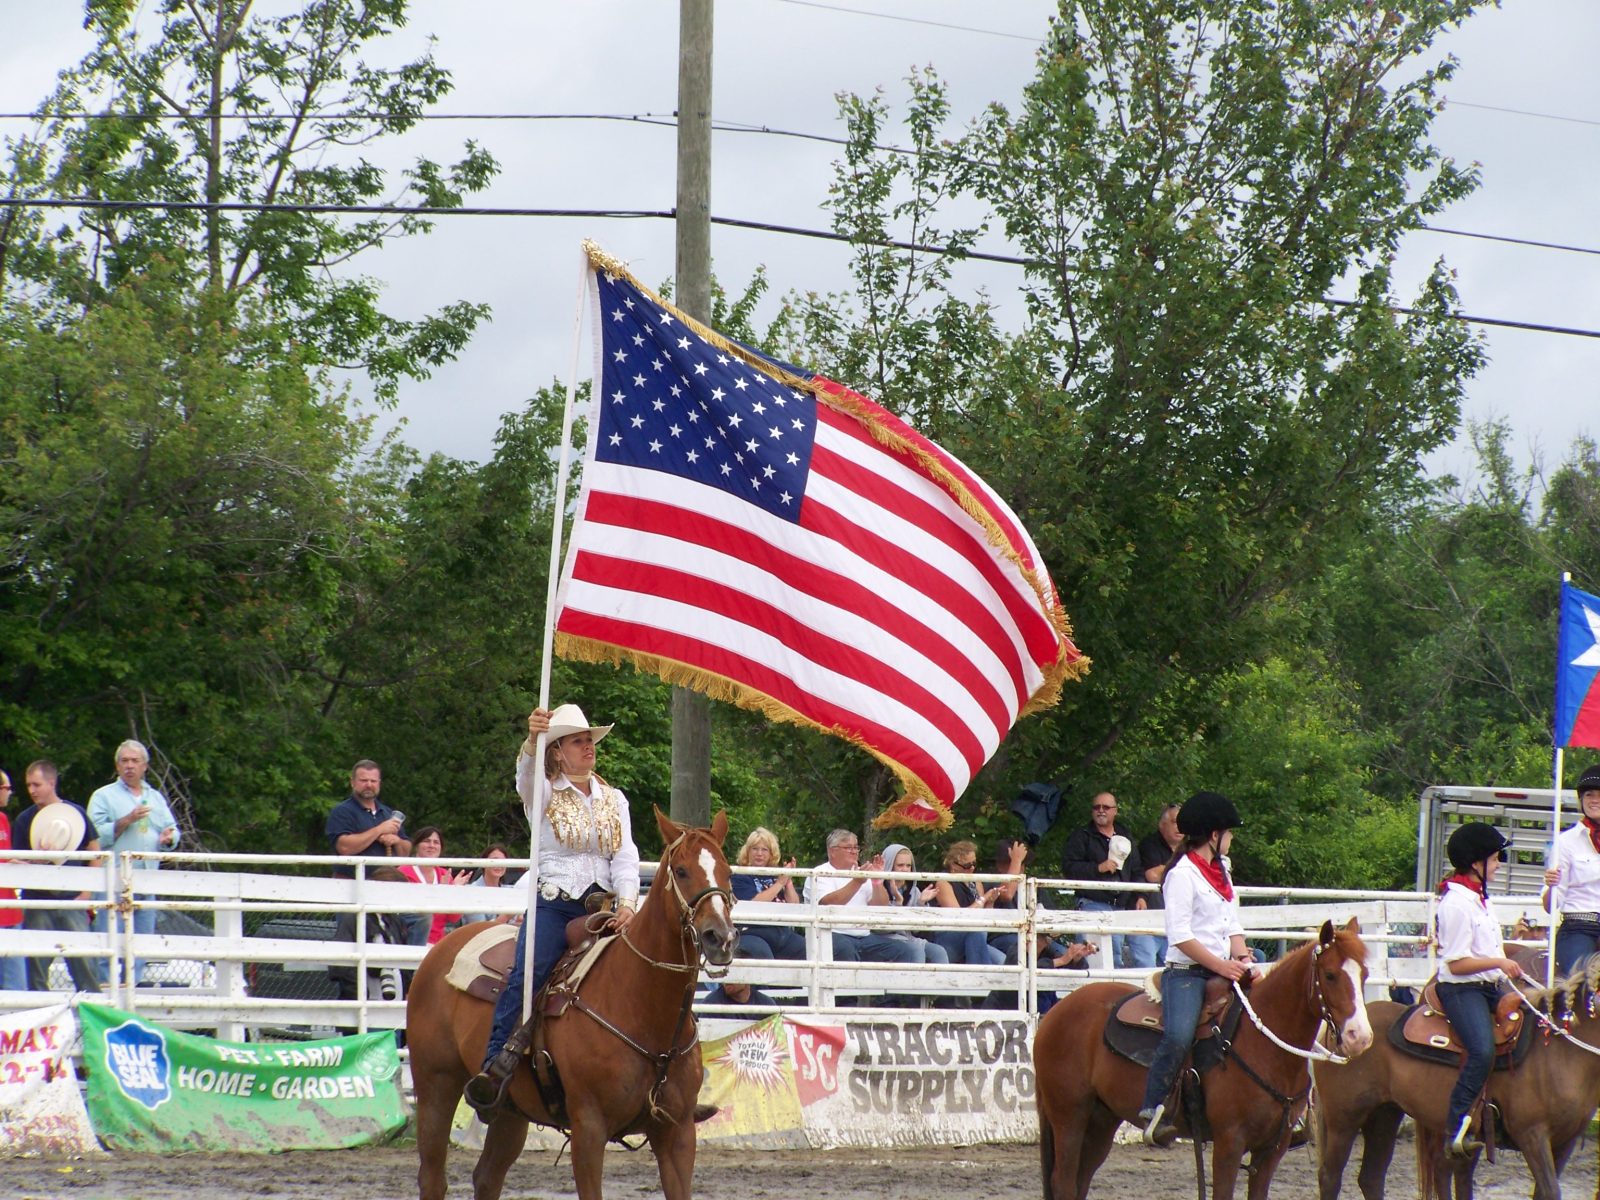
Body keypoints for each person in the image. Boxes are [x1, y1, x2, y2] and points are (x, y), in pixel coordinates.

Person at [464, 703, 641, 1115]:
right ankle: (495, 1063)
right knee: (529, 972)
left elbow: (625, 857)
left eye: (590, 741)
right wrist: (531, 743)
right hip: (554, 904)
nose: (588, 747)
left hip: (606, 906)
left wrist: (630, 903)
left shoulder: (614, 798)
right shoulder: (542, 791)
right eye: (578, 741)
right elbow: (525, 778)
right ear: (557, 751)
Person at [1137, 790, 1252, 1147]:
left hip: (1224, 967)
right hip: (1186, 972)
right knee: (1179, 1034)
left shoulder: (1223, 871)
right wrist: (1223, 965)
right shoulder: (1182, 875)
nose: (1231, 838)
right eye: (1228, 832)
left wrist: (1245, 959)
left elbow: (1232, 924)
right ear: (1214, 835)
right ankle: (1153, 1107)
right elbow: (1181, 936)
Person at [1436, 821, 1524, 1158]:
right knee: (1482, 1050)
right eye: (1496, 857)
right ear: (1476, 863)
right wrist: (1499, 964)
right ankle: (1454, 1125)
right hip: (1462, 989)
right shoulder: (1456, 904)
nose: (1500, 862)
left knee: (1530, 1026)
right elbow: (1456, 964)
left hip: (1488, 985)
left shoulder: (1478, 899)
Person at [86, 740, 179, 986]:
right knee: (109, 939)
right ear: (117, 766)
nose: (129, 766)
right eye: (124, 761)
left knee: (140, 943)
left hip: (146, 881)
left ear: (145, 766)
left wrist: (169, 838)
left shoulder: (155, 797)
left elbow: (172, 829)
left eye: (134, 761)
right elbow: (94, 836)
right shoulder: (103, 796)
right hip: (114, 881)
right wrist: (127, 819)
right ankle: (105, 988)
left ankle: (133, 988)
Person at [15, 761, 102, 993]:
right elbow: (17, 861)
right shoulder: (25, 819)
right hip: (37, 900)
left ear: (51, 783)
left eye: (37, 784)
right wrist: (36, 862)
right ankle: (40, 1019)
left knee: (84, 964)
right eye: (28, 785)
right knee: (36, 967)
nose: (32, 790)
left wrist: (86, 893)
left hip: (71, 898)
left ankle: (89, 1015)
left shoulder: (76, 813)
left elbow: (96, 851)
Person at [801, 830, 920, 967]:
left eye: (856, 847)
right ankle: (849, 989)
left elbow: (880, 906)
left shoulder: (861, 873)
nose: (854, 851)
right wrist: (857, 882)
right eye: (848, 847)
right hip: (831, 934)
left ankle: (893, 988)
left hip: (864, 936)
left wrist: (876, 882)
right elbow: (828, 903)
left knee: (904, 951)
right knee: (845, 949)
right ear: (832, 851)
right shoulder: (819, 873)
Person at [1060, 791, 1145, 968]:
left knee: (1114, 957)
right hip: (1092, 902)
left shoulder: (1125, 836)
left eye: (1106, 807)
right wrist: (1098, 868)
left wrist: (1140, 896)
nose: (1100, 811)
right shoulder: (1082, 836)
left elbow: (1136, 869)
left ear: (1115, 811)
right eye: (1096, 807)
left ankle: (1112, 994)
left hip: (1120, 905)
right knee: (1092, 958)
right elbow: (1069, 868)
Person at [1541, 764, 1600, 975]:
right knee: (1583, 982)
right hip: (1579, 926)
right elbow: (1550, 906)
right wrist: (1551, 886)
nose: (1594, 800)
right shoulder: (1566, 842)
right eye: (1589, 794)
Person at [328, 865, 410, 1014]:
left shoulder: (395, 922)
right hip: (365, 1006)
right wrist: (361, 993)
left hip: (395, 1008)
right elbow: (340, 966)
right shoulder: (355, 918)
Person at [927, 841, 1008, 968]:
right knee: (976, 930)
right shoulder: (943, 883)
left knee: (1003, 961)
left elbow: (983, 918)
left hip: (974, 937)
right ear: (954, 865)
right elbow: (959, 918)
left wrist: (990, 902)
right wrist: (983, 899)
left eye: (974, 863)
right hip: (948, 939)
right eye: (967, 865)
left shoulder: (976, 883)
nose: (972, 868)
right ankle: (980, 978)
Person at [325, 760, 411, 879]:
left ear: (379, 783)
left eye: (373, 781)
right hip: (350, 883)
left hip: (385, 884)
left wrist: (396, 841)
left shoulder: (387, 813)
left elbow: (405, 853)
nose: (369, 785)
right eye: (364, 780)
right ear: (352, 782)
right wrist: (379, 830)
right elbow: (344, 847)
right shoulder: (342, 811)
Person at [730, 827, 805, 960]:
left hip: (782, 932)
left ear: (771, 854)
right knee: (762, 954)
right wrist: (779, 884)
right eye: (755, 849)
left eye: (764, 850)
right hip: (753, 933)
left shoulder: (776, 875)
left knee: (808, 950)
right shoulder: (740, 875)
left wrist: (788, 881)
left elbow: (794, 905)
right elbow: (753, 904)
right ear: (747, 852)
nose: (759, 853)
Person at [396, 826, 470, 945]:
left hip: (437, 943)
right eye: (426, 841)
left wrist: (455, 893)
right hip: (410, 940)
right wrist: (438, 894)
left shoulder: (445, 874)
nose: (432, 845)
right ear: (416, 846)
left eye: (436, 842)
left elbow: (454, 918)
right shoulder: (403, 872)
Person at [879, 842, 948, 966]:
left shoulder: (914, 890)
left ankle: (942, 985)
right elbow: (882, 929)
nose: (905, 869)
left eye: (908, 865)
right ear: (889, 865)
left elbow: (916, 930)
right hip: (886, 938)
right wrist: (898, 903)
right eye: (900, 865)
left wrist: (921, 903)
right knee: (916, 950)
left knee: (939, 952)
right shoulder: (879, 889)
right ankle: (914, 985)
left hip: (908, 937)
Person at [1130, 803, 1182, 968]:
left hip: (1174, 921)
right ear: (1162, 825)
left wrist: (1165, 869)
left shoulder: (1190, 848)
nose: (1180, 827)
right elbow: (1152, 876)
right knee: (1147, 968)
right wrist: (1182, 868)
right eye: (1174, 821)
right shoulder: (1149, 844)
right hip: (1148, 918)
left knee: (1175, 968)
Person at [0, 769, 25, 991]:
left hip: (10, 909)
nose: (9, 793)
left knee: (16, 986)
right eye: (6, 788)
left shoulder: (3, 819)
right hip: (4, 910)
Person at [458, 844, 516, 926]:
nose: (499, 865)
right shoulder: (471, 891)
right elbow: (481, 928)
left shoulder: (511, 891)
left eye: (503, 861)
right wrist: (506, 916)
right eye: (494, 860)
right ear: (484, 863)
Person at [701, 979, 780, 1009]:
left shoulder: (766, 1004)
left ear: (748, 975)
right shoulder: (711, 1004)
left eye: (734, 972)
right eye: (724, 972)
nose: (727, 978)